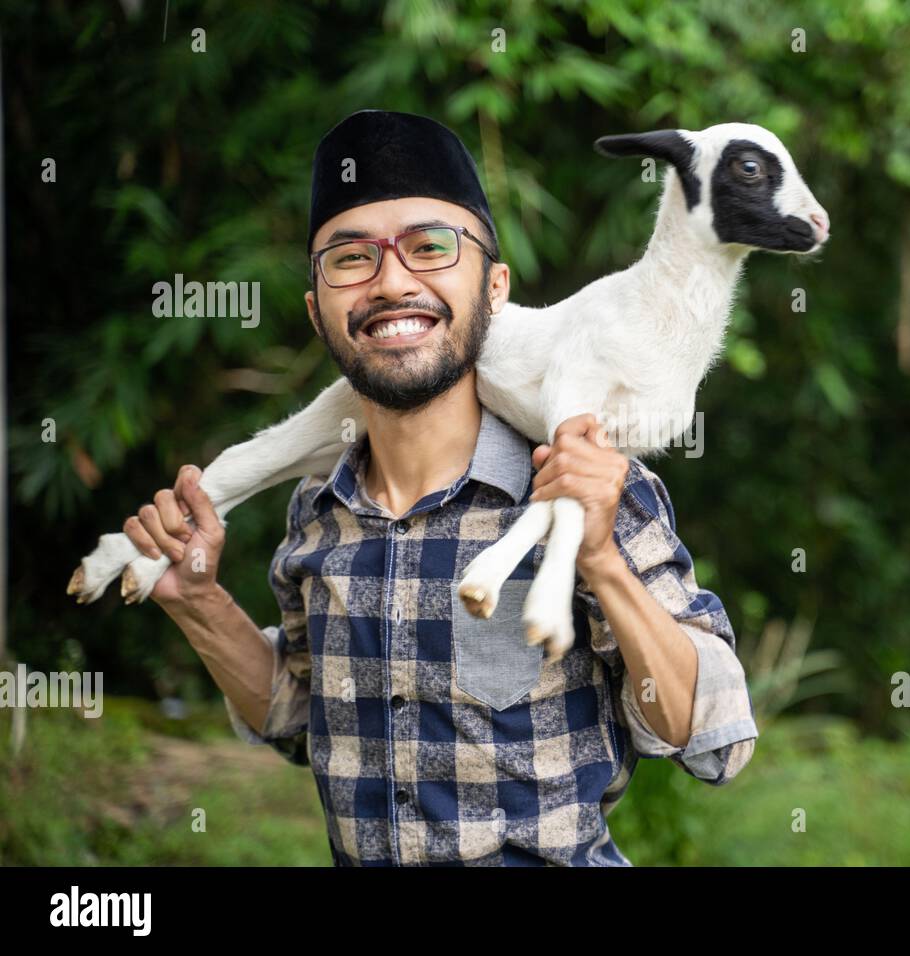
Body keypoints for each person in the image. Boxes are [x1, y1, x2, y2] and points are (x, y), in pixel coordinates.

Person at [121, 109, 758, 865]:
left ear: (495, 289)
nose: (393, 283)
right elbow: (299, 716)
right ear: (316, 313)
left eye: (431, 248)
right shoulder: (316, 516)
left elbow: (714, 741)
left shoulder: (590, 482)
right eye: (351, 259)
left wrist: (602, 563)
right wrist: (199, 604)